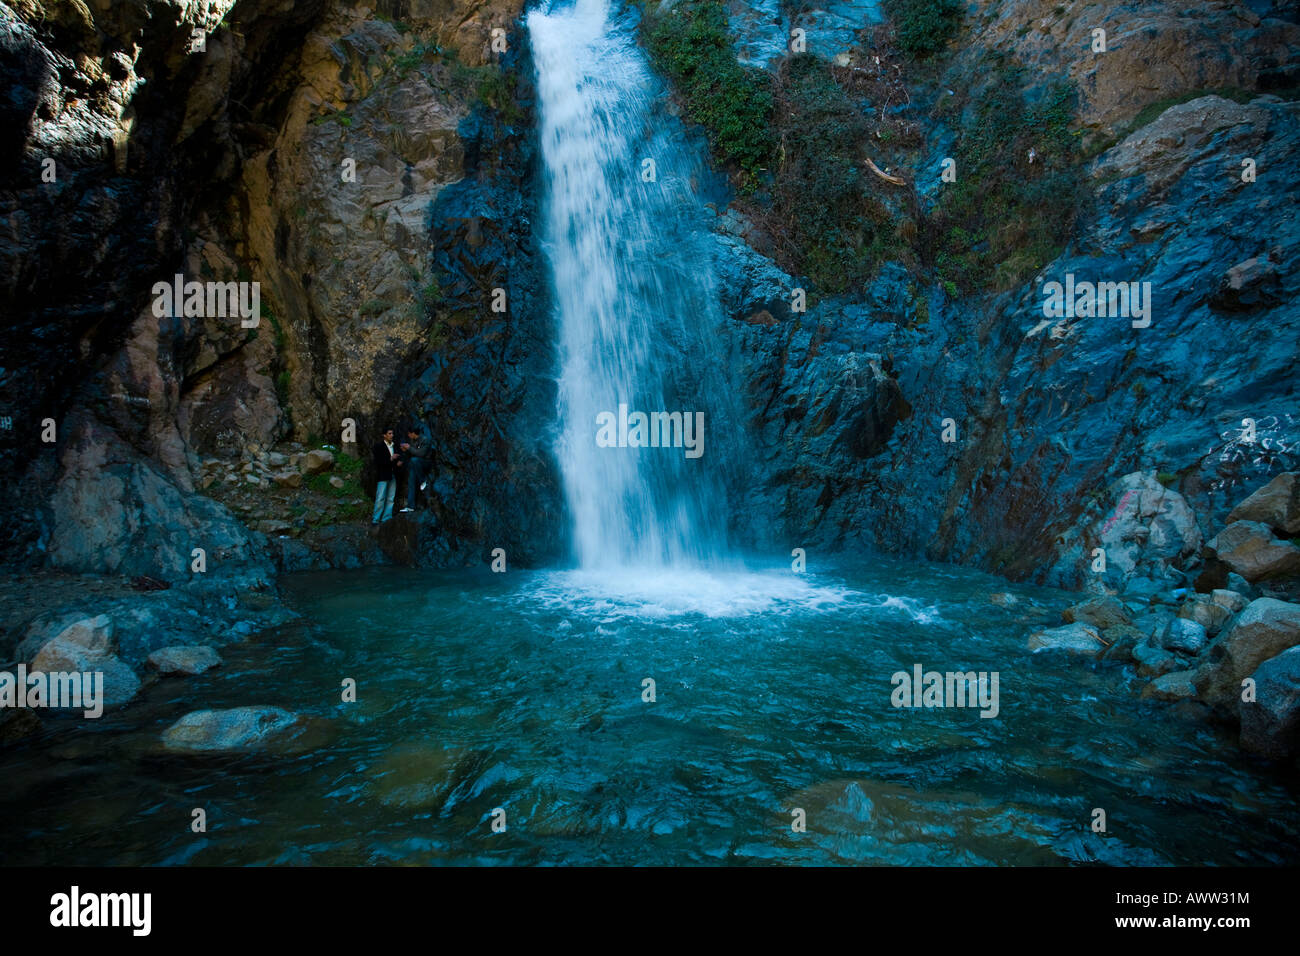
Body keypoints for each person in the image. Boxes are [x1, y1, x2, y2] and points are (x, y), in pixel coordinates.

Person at [398, 425, 431, 513]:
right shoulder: (412, 441)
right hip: (415, 465)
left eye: (409, 434)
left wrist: (409, 448)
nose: (408, 436)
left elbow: (421, 454)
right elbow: (411, 454)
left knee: (414, 460)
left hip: (425, 463)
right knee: (411, 482)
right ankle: (410, 506)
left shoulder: (425, 440)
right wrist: (405, 450)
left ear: (413, 433)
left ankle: (423, 480)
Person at [371, 426, 398, 525]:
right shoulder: (378, 446)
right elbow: (378, 461)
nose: (392, 435)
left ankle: (386, 517)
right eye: (389, 433)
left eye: (392, 433)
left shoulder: (394, 445)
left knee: (391, 497)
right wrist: (390, 459)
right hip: (382, 475)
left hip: (392, 474)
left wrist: (397, 462)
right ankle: (376, 519)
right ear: (384, 435)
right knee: (380, 497)